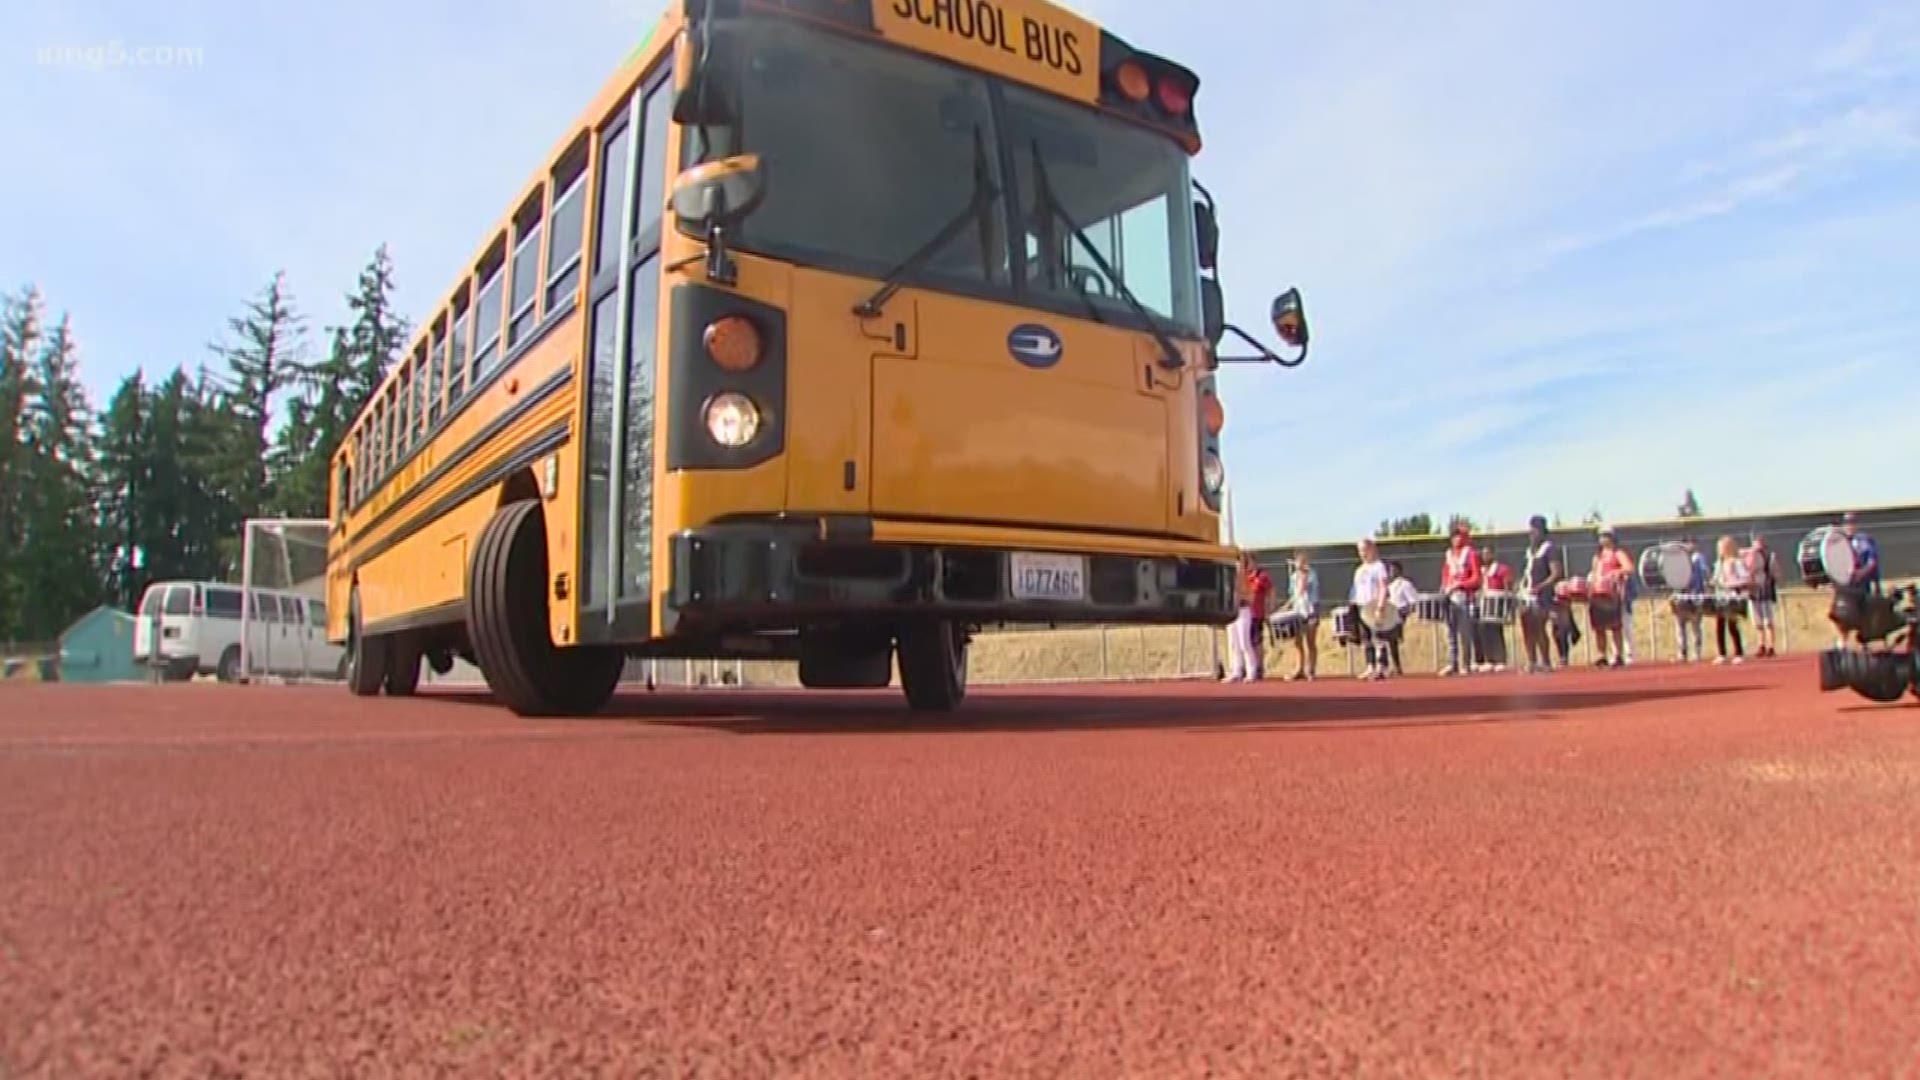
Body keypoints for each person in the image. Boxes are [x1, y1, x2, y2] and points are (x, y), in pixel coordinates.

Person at [1518, 515, 1564, 674]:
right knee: (1526, 626)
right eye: (1530, 531)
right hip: (1527, 593)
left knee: (1539, 627)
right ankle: (1531, 661)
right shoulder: (1529, 551)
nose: (1531, 534)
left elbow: (1556, 573)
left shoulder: (1549, 549)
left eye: (1535, 531)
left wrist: (1541, 586)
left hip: (1542, 595)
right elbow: (1526, 572)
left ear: (1542, 532)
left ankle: (1545, 661)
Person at [1439, 524, 1482, 676]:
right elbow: (1445, 574)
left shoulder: (1470, 554)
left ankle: (1466, 664)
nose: (1456, 539)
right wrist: (1444, 588)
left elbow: (1477, 578)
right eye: (1454, 535)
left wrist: (1461, 584)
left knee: (1465, 632)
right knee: (1450, 632)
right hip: (1450, 596)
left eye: (1459, 535)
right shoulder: (1449, 554)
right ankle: (1453, 663)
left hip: (1465, 597)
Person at [1224, 551, 1272, 682]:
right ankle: (1236, 671)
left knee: (1245, 642)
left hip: (1243, 610)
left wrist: (1240, 596)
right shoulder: (1230, 576)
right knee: (1234, 643)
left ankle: (1252, 671)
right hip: (1232, 611)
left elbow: (1249, 597)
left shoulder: (1246, 578)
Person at [1587, 528, 1633, 666]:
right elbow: (1594, 574)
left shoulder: (1618, 553)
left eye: (1606, 536)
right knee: (1599, 627)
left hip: (1612, 593)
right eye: (1601, 536)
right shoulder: (1597, 556)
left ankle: (1618, 654)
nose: (1603, 539)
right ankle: (1602, 655)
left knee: (1615, 626)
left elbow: (1629, 568)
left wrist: (1617, 572)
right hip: (1597, 593)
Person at [1350, 537, 1392, 681]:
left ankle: (1382, 667)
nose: (1362, 553)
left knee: (1378, 637)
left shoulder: (1379, 566)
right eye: (1360, 551)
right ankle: (1370, 666)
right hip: (1362, 606)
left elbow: (1383, 586)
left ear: (1372, 549)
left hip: (1373, 605)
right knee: (1366, 638)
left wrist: (1380, 606)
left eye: (1364, 550)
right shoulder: (1359, 570)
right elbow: (1356, 590)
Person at [1711, 535, 1750, 665]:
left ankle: (1739, 653)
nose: (1721, 549)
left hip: (1733, 597)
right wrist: (1713, 583)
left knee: (1732, 626)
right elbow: (1716, 579)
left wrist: (1731, 584)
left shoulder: (1737, 562)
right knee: (1719, 625)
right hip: (1720, 597)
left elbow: (1746, 579)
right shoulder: (1719, 564)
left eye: (1723, 547)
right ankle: (1722, 654)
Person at [1284, 550, 1321, 682]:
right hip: (1297, 611)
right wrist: (1286, 607)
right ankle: (1299, 669)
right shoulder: (1293, 576)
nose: (1299, 563)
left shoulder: (1312, 574)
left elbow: (1304, 588)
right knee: (1297, 642)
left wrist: (1303, 574)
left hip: (1310, 610)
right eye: (1298, 560)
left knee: (1310, 641)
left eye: (1303, 560)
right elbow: (1293, 595)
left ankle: (1311, 669)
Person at [1671, 536, 1709, 663]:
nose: (1689, 546)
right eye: (1687, 543)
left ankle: (1697, 652)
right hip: (1680, 597)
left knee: (1695, 625)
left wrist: (1704, 589)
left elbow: (1704, 574)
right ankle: (1682, 652)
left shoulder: (1698, 558)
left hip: (1694, 596)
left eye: (1692, 543)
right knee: (1680, 625)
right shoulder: (1677, 560)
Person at [1382, 560, 1420, 677]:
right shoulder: (1389, 585)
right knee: (1386, 640)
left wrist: (1406, 613)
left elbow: (1413, 601)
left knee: (1391, 638)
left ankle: (1396, 666)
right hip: (1389, 613)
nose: (1391, 572)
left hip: (1400, 612)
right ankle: (1388, 665)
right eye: (1390, 570)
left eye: (1394, 569)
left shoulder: (1405, 584)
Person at [1476, 545, 1512, 672]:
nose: (1485, 556)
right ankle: (1489, 659)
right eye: (1483, 554)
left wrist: (1507, 604)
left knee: (1496, 631)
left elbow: (1507, 585)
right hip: (1483, 603)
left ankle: (1500, 659)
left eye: (1488, 553)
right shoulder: (1481, 570)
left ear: (1493, 554)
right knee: (1484, 631)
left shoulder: (1501, 569)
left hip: (1497, 602)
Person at [1745, 533, 1781, 658]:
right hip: (1754, 592)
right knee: (1758, 621)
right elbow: (1748, 569)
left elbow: (1776, 573)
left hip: (1766, 590)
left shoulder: (1770, 556)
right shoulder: (1750, 555)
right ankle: (1761, 645)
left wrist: (1772, 577)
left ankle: (1771, 646)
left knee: (1768, 621)